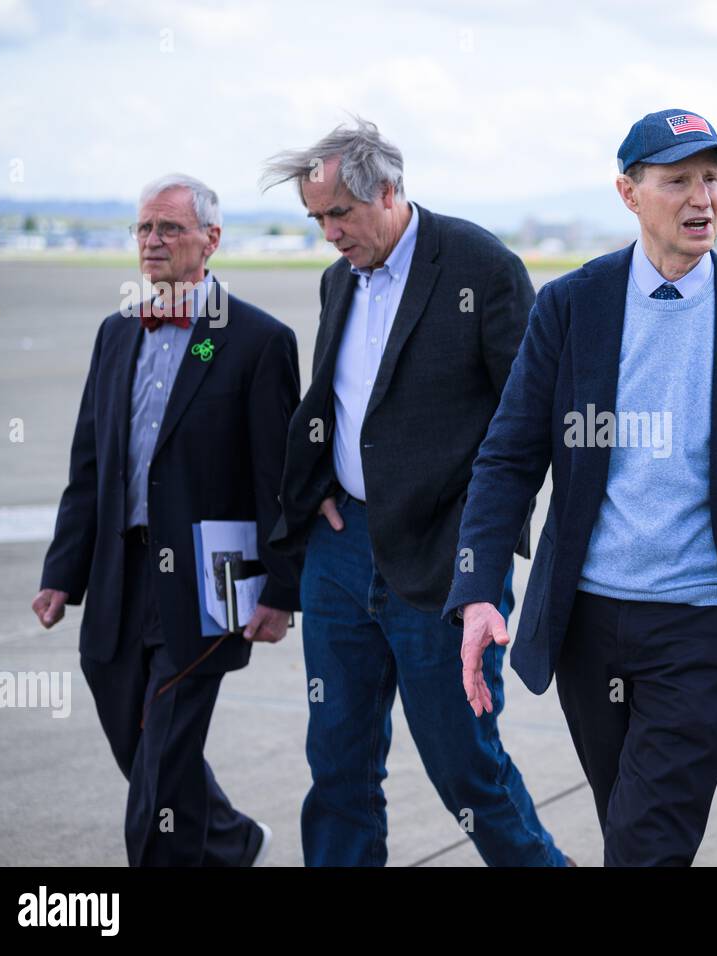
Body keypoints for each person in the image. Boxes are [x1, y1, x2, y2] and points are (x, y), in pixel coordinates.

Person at [445, 109, 717, 866]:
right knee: (631, 830)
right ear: (628, 193)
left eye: (712, 178)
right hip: (588, 621)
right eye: (677, 180)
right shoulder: (572, 305)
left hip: (703, 624)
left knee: (648, 844)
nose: (701, 197)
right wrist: (480, 587)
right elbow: (509, 457)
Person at [262, 118, 568, 867]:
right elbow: (340, 400)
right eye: (316, 218)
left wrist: (484, 553)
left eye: (340, 213)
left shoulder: (480, 267)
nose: (329, 233)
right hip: (341, 551)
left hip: (444, 556)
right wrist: (321, 490)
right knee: (336, 760)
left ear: (389, 190)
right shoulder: (340, 279)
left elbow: (526, 422)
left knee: (464, 765)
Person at [34, 174, 299, 866]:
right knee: (142, 749)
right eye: (145, 229)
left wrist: (280, 591)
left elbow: (278, 480)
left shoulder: (253, 341)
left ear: (211, 240)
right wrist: (62, 573)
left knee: (156, 787)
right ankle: (234, 840)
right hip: (119, 579)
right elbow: (90, 465)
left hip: (206, 587)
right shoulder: (116, 334)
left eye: (170, 229)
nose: (153, 242)